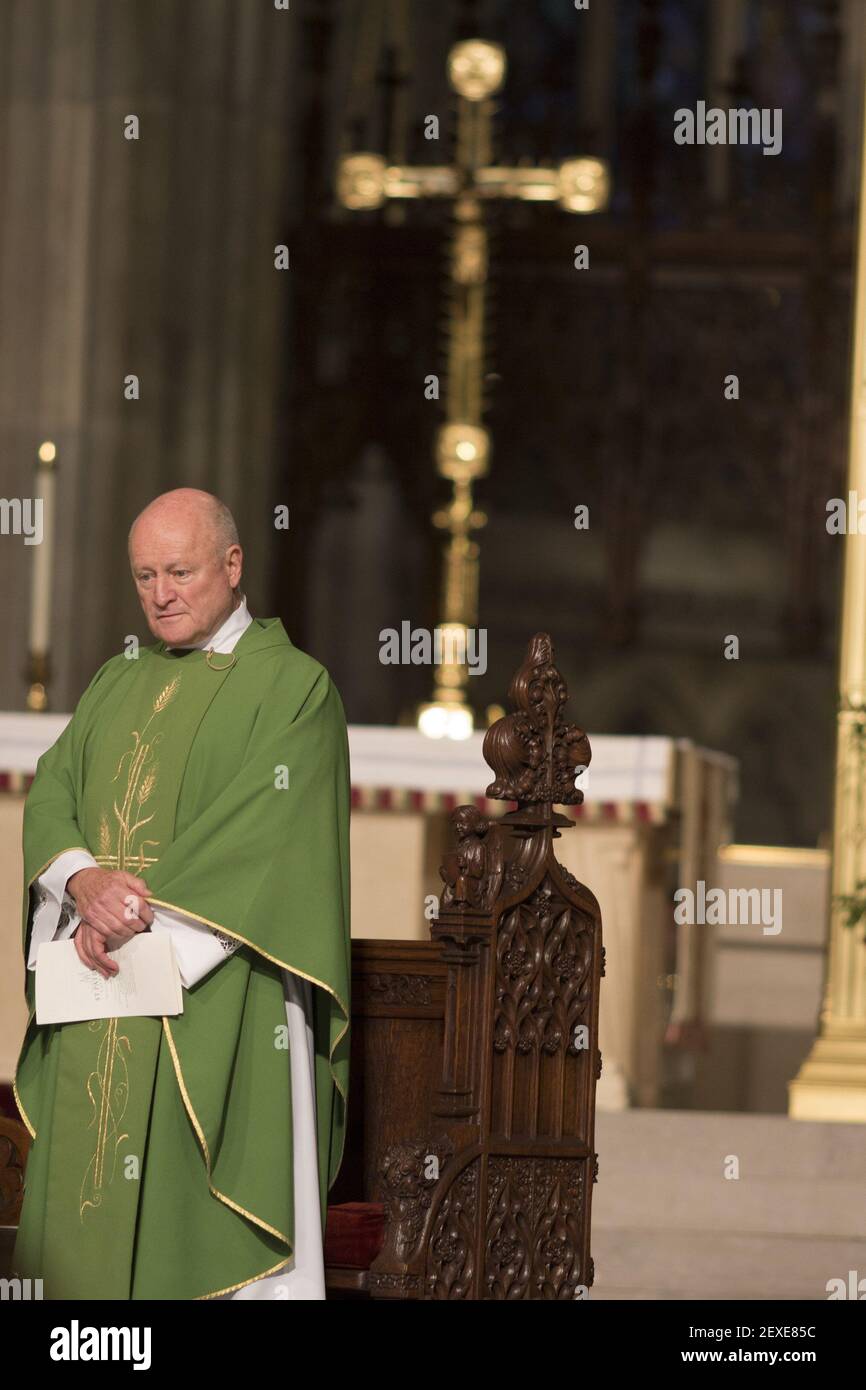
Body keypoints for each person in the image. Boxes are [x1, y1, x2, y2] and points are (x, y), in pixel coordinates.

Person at [12, 487, 351, 1300]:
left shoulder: (296, 689)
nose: (160, 594)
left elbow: (266, 840)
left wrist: (128, 923)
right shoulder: (115, 679)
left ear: (233, 565)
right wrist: (82, 884)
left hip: (220, 997)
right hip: (96, 987)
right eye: (143, 576)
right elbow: (52, 788)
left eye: (179, 571)